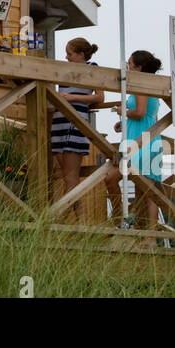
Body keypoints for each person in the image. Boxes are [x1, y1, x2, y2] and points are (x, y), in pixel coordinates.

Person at [104, 50, 164, 246]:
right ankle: (133, 226)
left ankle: (147, 234)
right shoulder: (148, 84)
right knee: (144, 189)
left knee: (144, 188)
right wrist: (124, 123)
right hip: (141, 138)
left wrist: (122, 111)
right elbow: (149, 116)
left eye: (129, 64)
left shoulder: (142, 84)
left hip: (142, 142)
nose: (127, 67)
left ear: (138, 67)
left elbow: (139, 112)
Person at [50, 38, 103, 220]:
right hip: (59, 122)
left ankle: (61, 218)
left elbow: (100, 97)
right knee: (68, 178)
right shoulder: (64, 69)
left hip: (76, 122)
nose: (66, 57)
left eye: (70, 54)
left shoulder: (92, 67)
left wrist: (72, 97)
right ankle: (80, 220)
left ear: (81, 55)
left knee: (71, 178)